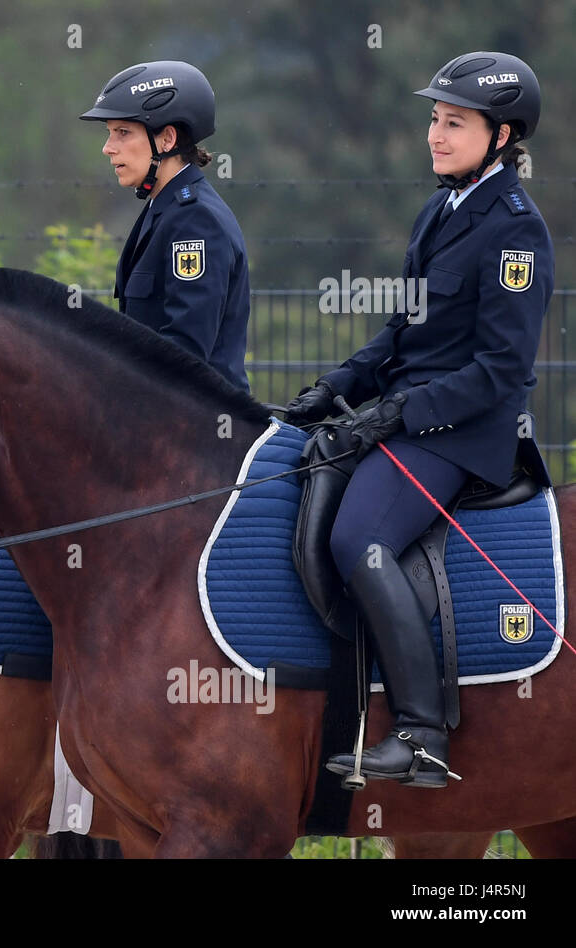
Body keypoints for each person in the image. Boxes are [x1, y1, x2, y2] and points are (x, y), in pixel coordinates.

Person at [287, 52, 553, 787]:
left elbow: (502, 370)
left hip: (467, 433)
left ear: (501, 137)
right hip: (413, 416)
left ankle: (422, 733)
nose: (435, 135)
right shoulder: (441, 209)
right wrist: (337, 384)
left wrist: (399, 414)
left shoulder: (515, 232)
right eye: (434, 119)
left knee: (361, 536)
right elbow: (404, 333)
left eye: (454, 123)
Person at [80, 60, 251, 392]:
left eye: (123, 132)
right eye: (109, 133)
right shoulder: (165, 208)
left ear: (168, 138)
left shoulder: (195, 220)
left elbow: (185, 352)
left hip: (200, 431)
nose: (108, 147)